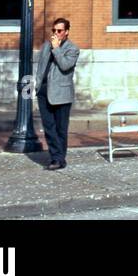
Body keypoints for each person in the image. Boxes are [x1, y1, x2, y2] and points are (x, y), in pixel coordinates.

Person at [35, 17, 79, 170]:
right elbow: (40, 66)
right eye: (53, 30)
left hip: (61, 94)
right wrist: (37, 85)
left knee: (61, 128)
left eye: (59, 31)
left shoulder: (72, 49)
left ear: (66, 32)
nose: (55, 33)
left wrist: (56, 49)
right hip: (43, 91)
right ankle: (56, 158)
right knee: (49, 127)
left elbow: (65, 65)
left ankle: (59, 159)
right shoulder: (46, 46)